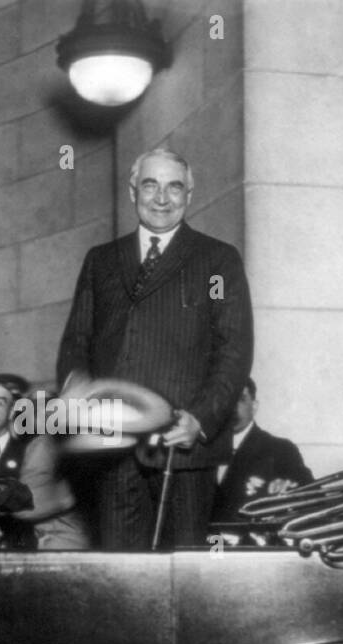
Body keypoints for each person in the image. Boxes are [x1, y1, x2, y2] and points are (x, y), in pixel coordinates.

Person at [56, 146, 253, 548]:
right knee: (121, 582)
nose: (162, 198)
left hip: (183, 450)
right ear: (133, 191)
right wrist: (78, 395)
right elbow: (76, 341)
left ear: (189, 195)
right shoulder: (101, 261)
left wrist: (199, 420)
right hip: (112, 452)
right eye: (151, 185)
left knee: (182, 585)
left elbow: (234, 348)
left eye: (174, 187)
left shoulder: (217, 261)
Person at [211, 378, 314, 521]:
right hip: (206, 541)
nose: (231, 407)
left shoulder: (280, 450)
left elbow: (310, 499)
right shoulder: (201, 449)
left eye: (240, 399)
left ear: (254, 406)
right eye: (225, 400)